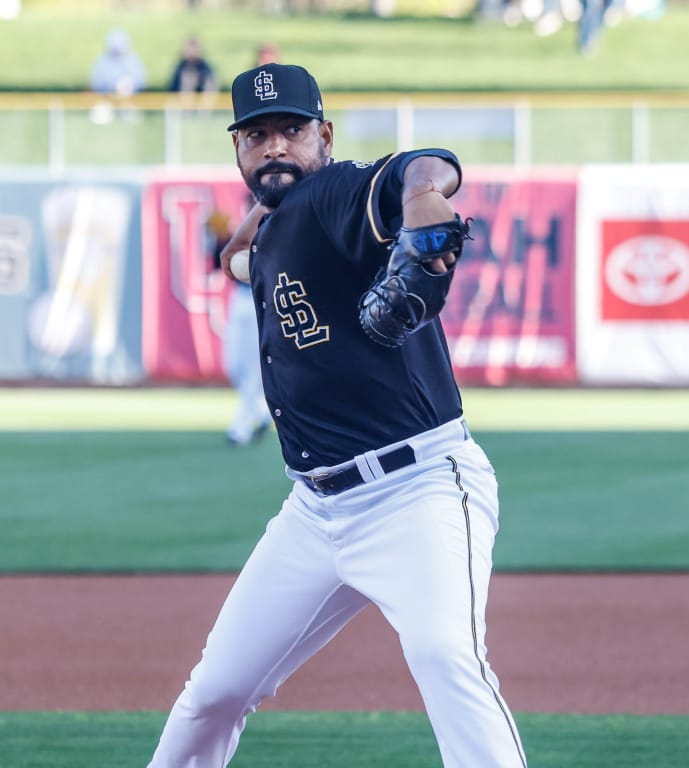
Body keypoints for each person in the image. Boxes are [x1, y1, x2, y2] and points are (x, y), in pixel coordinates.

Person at [145, 62, 527, 768]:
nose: (274, 146)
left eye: (290, 129)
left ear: (323, 134)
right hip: (314, 513)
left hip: (417, 490)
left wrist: (419, 195)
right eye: (255, 135)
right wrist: (243, 244)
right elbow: (240, 259)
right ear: (236, 150)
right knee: (216, 692)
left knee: (449, 657)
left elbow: (424, 169)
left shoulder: (334, 194)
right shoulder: (278, 226)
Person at [206, 209, 270, 446]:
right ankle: (262, 412)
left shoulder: (276, 231)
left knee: (253, 369)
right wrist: (219, 239)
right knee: (233, 366)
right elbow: (217, 265)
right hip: (239, 301)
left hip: (260, 302)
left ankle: (239, 429)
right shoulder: (239, 234)